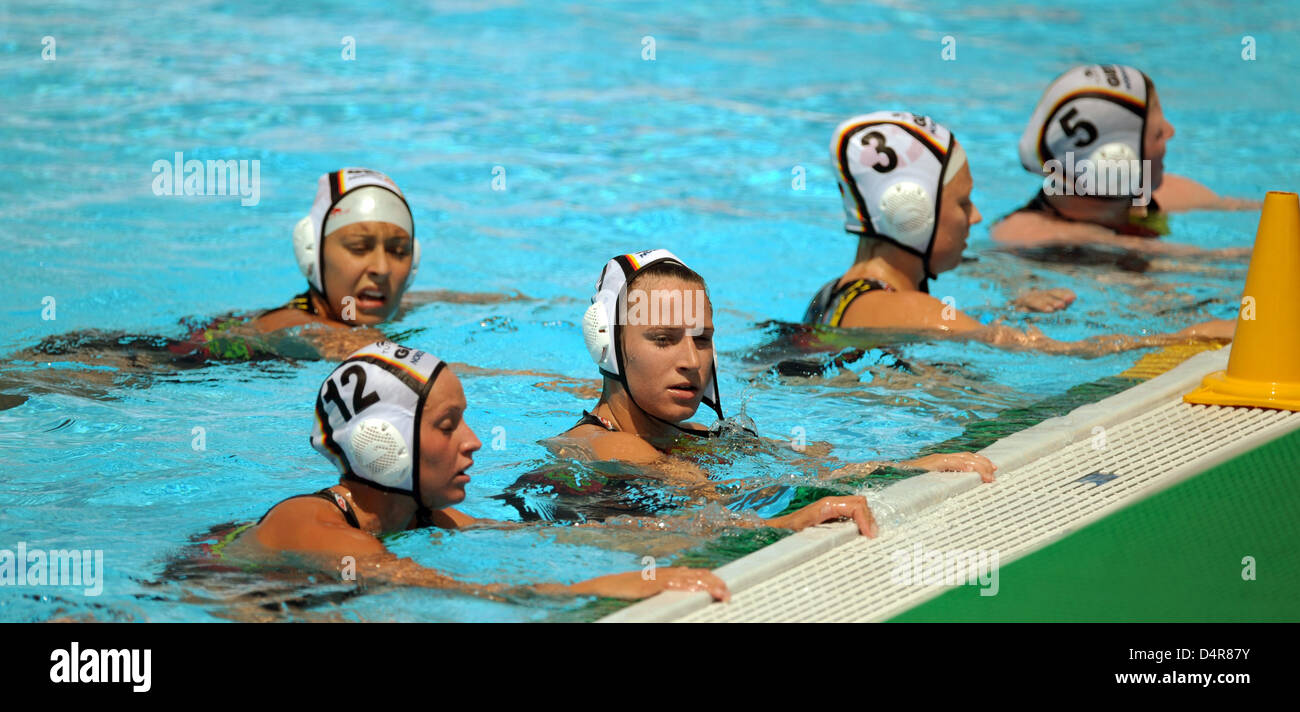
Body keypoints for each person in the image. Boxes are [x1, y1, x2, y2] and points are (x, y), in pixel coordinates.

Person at [216, 341, 729, 602]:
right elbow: (452, 589)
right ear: (384, 445)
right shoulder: (312, 527)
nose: (473, 441)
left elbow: (558, 544)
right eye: (447, 425)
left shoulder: (414, 514)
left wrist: (762, 528)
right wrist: (597, 590)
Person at [534, 249, 996, 529]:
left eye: (702, 339)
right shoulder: (604, 446)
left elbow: (815, 466)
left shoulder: (691, 438)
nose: (691, 361)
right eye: (662, 339)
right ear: (607, 345)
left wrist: (909, 466)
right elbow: (713, 513)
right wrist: (785, 523)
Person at [801, 111, 1236, 352]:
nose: (975, 218)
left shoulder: (844, 294)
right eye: (962, 203)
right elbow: (1060, 353)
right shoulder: (910, 309)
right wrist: (1186, 335)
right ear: (910, 214)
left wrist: (1005, 314)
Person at [992, 64, 1259, 254]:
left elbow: (1267, 211)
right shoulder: (1024, 236)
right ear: (1113, 159)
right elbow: (1211, 265)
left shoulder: (1169, 195)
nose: (1171, 132)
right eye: (1157, 133)